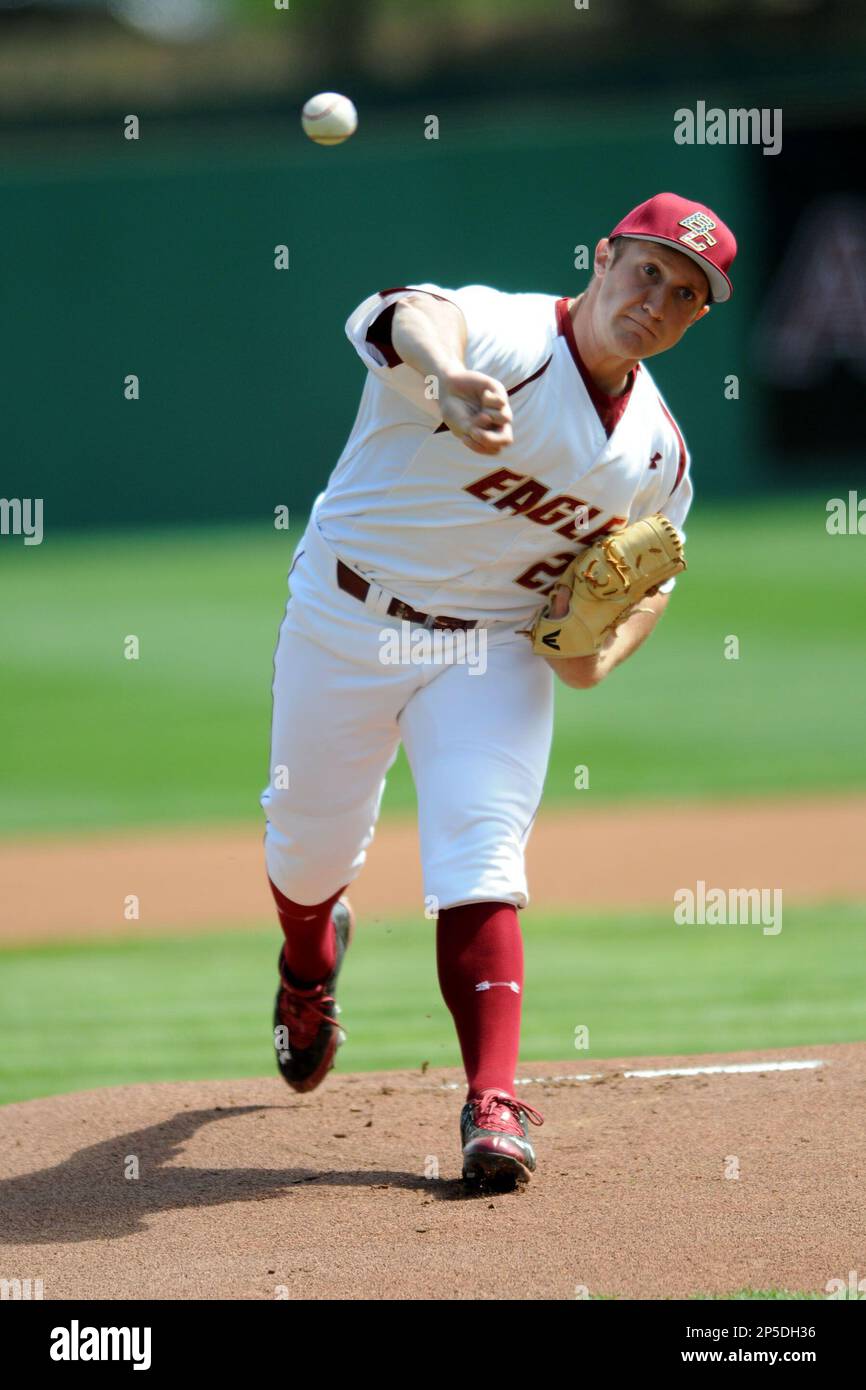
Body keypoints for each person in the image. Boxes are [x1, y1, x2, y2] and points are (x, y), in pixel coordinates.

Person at [260, 191, 737, 1191]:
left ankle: (492, 1098)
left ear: (695, 320)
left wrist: (603, 652)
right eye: (645, 268)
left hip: (491, 646)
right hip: (347, 613)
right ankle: (307, 965)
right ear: (602, 257)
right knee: (307, 851)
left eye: (683, 293)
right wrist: (444, 379)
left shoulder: (656, 449)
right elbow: (394, 314)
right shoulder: (501, 331)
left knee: (481, 848)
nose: (655, 297)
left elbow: (653, 569)